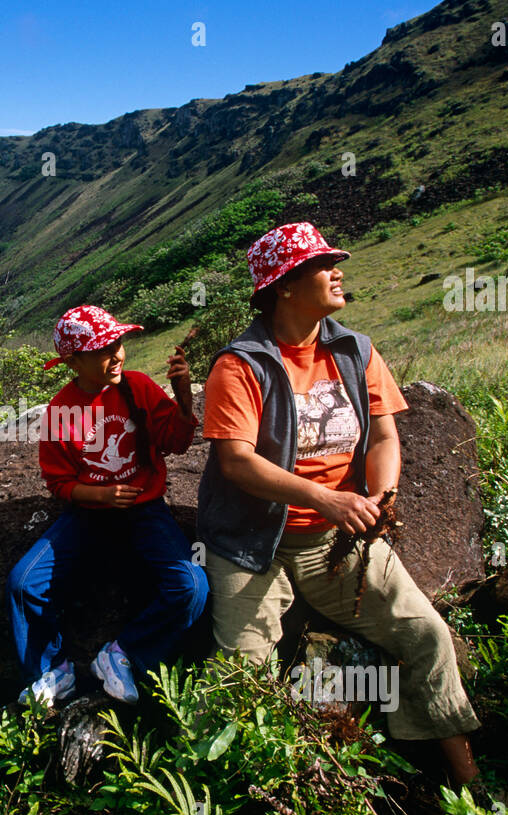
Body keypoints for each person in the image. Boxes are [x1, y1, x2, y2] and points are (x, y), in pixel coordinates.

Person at [196, 222, 481, 785]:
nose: (337, 271)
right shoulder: (239, 365)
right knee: (240, 672)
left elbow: (382, 436)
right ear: (284, 286)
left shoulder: (356, 351)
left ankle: (469, 782)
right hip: (254, 544)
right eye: (322, 265)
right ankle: (228, 797)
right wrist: (323, 497)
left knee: (426, 635)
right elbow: (235, 461)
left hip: (337, 540)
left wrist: (381, 496)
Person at [7, 305, 209, 707]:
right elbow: (58, 482)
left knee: (191, 587)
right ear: (73, 361)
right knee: (23, 582)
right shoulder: (61, 411)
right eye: (102, 349)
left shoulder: (136, 387)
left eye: (117, 344)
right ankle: (53, 671)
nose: (116, 354)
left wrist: (184, 399)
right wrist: (100, 495)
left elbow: (175, 441)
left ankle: (122, 655)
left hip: (144, 510)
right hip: (88, 515)